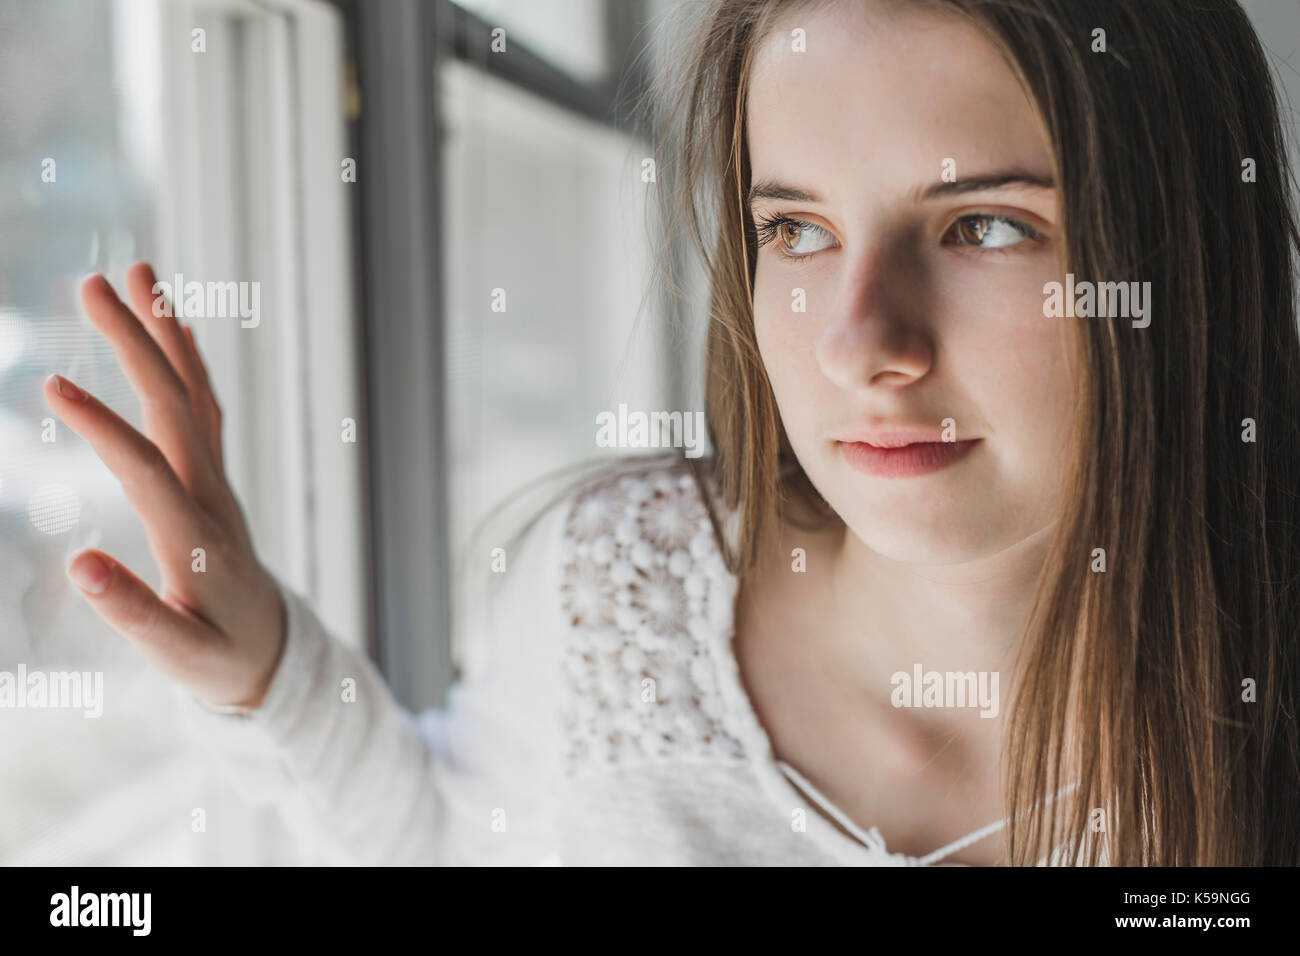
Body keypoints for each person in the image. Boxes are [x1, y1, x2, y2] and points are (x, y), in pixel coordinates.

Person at [43, 0, 1300, 865]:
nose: (861, 343)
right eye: (795, 230)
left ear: (1177, 262)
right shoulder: (620, 584)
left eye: (983, 225)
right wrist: (270, 673)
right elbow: (458, 846)